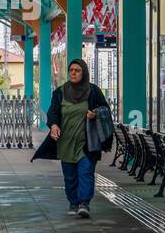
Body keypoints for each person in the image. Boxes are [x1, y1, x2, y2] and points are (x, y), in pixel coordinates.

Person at [36, 58, 111, 218]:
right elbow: (53, 112)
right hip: (66, 143)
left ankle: (84, 203)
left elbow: (106, 109)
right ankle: (73, 202)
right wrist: (54, 125)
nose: (74, 73)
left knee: (86, 172)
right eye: (71, 70)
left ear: (84, 73)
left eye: (77, 70)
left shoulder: (93, 91)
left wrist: (95, 113)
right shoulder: (60, 92)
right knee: (70, 176)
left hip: (87, 143)